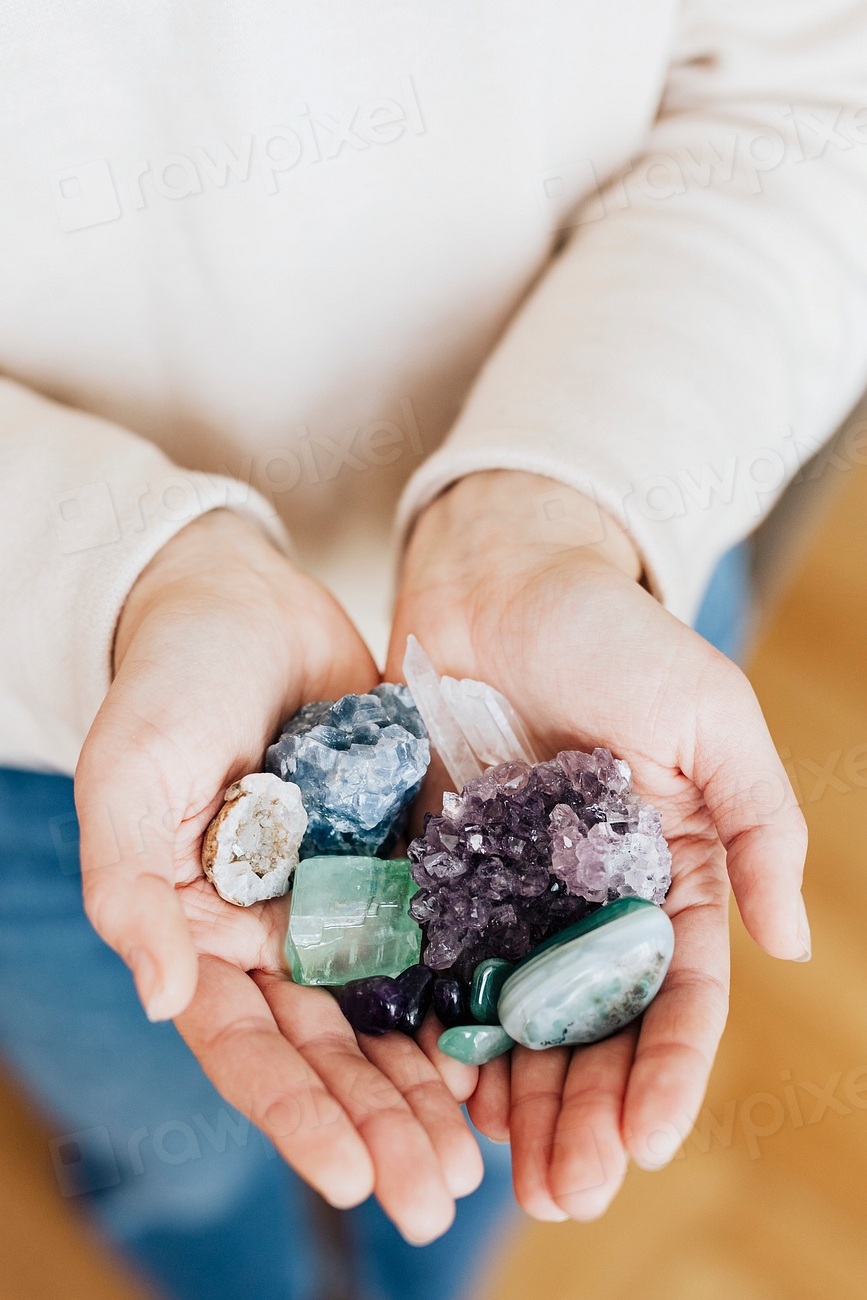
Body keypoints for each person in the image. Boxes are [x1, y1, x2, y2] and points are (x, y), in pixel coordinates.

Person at [1, 0, 863, 1295]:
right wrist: (117, 583)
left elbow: (813, 96)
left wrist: (567, 502)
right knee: (166, 1152)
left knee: (489, 1135)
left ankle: (427, 1268)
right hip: (52, 736)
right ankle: (201, 1249)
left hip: (598, 617)